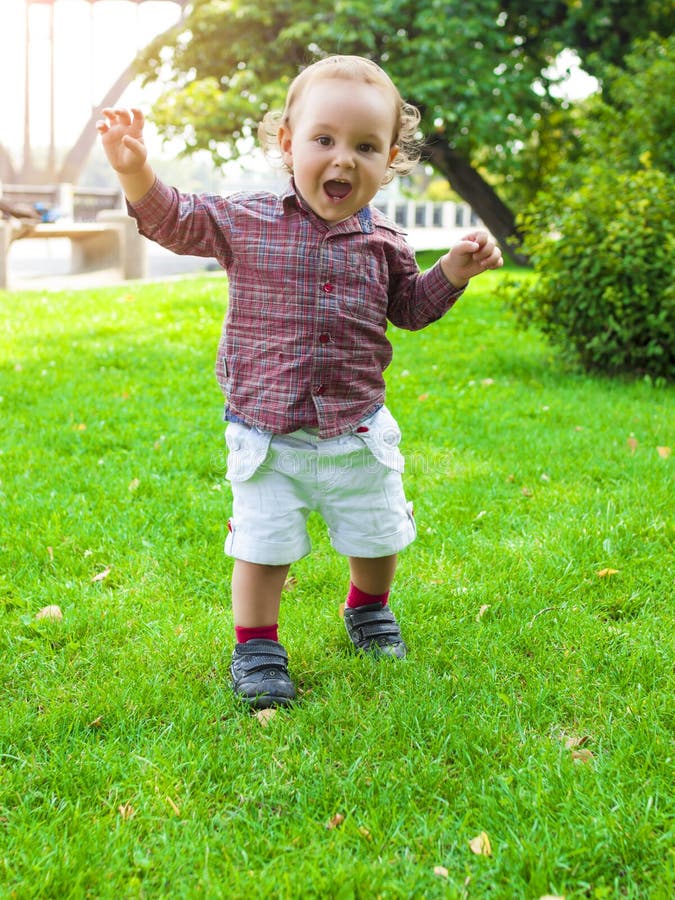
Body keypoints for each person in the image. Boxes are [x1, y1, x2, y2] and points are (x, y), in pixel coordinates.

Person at [97, 55, 503, 710]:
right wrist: (133, 168)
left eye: (364, 146)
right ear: (288, 142)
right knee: (263, 544)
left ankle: (367, 609)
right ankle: (257, 644)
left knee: (376, 533)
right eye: (323, 140)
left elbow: (410, 310)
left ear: (391, 158)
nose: (341, 159)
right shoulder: (244, 219)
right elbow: (172, 219)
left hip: (356, 427)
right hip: (267, 431)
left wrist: (452, 270)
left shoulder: (388, 243)